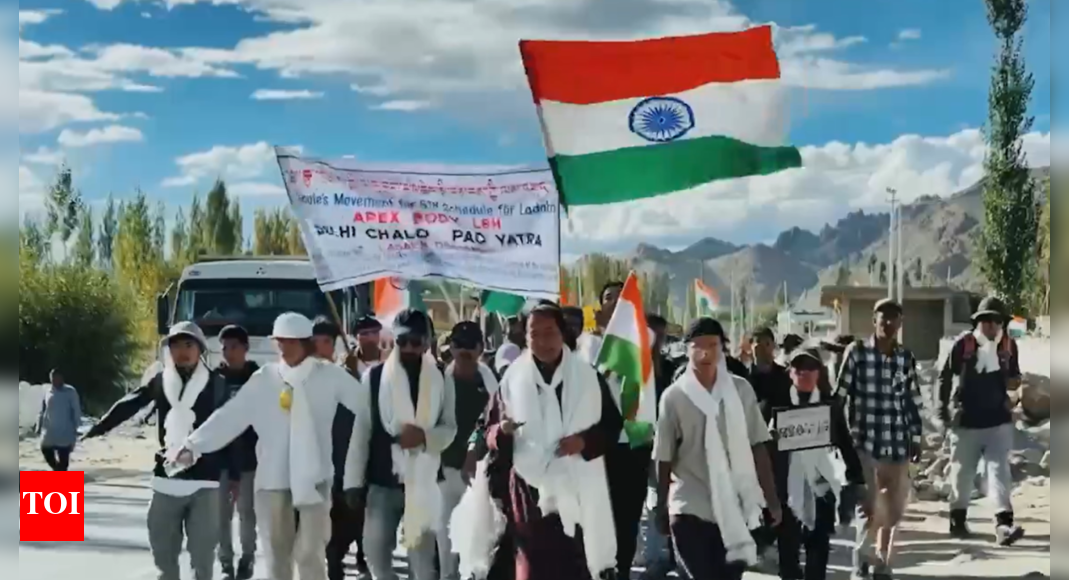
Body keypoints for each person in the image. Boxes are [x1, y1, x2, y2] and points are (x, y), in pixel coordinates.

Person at [174, 313, 373, 580]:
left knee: (309, 553)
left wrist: (359, 372)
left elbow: (367, 406)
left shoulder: (331, 376)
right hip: (272, 481)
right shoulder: (264, 379)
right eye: (279, 341)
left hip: (316, 480)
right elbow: (230, 416)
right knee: (278, 557)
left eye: (291, 342)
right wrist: (193, 445)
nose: (284, 347)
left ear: (307, 343)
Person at [482, 303, 622, 580]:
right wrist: (503, 431)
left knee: (575, 568)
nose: (543, 341)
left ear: (562, 333)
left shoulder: (588, 377)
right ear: (525, 337)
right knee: (533, 569)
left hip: (579, 490)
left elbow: (612, 426)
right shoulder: (512, 379)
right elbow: (489, 431)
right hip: (529, 493)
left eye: (550, 332)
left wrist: (584, 441)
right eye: (535, 334)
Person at [83, 323, 233, 580]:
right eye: (175, 345)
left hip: (206, 483)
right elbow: (132, 402)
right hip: (167, 481)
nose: (182, 352)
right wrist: (101, 426)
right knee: (164, 562)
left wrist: (235, 474)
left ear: (200, 350)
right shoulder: (162, 381)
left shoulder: (218, 385)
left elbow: (232, 429)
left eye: (189, 345)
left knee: (202, 562)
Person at [654, 318, 781, 580]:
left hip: (734, 509)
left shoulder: (741, 390)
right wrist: (660, 507)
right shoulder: (674, 397)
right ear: (687, 349)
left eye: (712, 345)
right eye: (698, 346)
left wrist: (771, 498)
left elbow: (758, 445)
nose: (705, 353)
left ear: (722, 349)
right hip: (690, 507)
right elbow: (663, 457)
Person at [357, 309, 457, 580]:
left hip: (423, 481)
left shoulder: (440, 377)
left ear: (428, 342)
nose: (409, 348)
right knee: (375, 553)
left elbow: (450, 428)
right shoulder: (374, 377)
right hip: (382, 480)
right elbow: (361, 432)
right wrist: (353, 483)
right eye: (403, 341)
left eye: (416, 341)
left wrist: (424, 438)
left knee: (423, 564)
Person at [837, 300, 924, 580]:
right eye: (883, 318)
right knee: (870, 505)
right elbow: (840, 396)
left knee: (895, 510)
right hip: (865, 443)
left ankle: (883, 563)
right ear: (874, 320)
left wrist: (917, 437)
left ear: (900, 323)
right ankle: (861, 562)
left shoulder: (904, 357)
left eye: (894, 319)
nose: (888, 324)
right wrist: (838, 438)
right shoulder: (857, 353)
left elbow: (912, 399)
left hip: (898, 444)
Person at [769, 348, 864, 580]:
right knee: (788, 555)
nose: (804, 373)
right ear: (790, 372)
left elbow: (845, 442)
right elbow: (762, 446)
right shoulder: (776, 404)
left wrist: (856, 477)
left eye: (810, 368)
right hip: (786, 488)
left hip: (821, 484)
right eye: (798, 369)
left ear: (819, 373)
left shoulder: (829, 408)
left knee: (818, 548)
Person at [938, 297, 1025, 546]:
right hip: (966, 422)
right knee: (962, 474)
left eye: (996, 321)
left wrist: (1014, 389)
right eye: (986, 320)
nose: (991, 326)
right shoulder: (963, 345)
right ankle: (957, 518)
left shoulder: (1008, 346)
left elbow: (1015, 376)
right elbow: (944, 378)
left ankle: (1003, 524)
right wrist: (942, 413)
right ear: (978, 322)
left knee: (999, 470)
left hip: (999, 422)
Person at [439, 321, 500, 580]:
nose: (464, 351)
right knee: (446, 547)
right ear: (450, 348)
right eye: (458, 345)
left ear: (480, 348)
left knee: (478, 546)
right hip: (444, 475)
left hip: (479, 477)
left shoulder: (491, 385)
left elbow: (491, 425)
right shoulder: (438, 383)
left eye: (470, 345)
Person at [311, 318, 371, 580]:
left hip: (344, 461)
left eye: (323, 342)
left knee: (346, 520)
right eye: (313, 342)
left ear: (333, 345)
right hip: (313, 464)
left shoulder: (347, 377)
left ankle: (341, 559)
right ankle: (333, 561)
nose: (317, 347)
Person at [217, 325, 261, 580]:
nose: (229, 353)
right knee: (222, 516)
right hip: (221, 459)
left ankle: (247, 559)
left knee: (247, 513)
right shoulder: (215, 381)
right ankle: (225, 563)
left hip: (250, 460)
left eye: (234, 347)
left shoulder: (258, 379)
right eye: (224, 348)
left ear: (245, 348)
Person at [640, 315, 678, 580]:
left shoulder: (669, 368)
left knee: (657, 500)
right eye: (653, 333)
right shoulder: (627, 365)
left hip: (659, 445)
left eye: (662, 335)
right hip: (630, 445)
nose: (658, 340)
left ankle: (656, 557)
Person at [37, 369, 82, 472]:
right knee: (45, 449)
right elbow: (43, 410)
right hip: (49, 430)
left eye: (57, 378)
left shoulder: (70, 391)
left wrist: (76, 427)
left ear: (62, 378)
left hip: (65, 430)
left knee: (64, 461)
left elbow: (76, 410)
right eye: (53, 378)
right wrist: (38, 425)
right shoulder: (48, 391)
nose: (55, 381)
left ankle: (61, 482)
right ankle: (57, 471)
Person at [748, 327, 792, 423]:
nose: (764, 349)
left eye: (767, 344)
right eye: (759, 344)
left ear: (773, 346)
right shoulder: (744, 379)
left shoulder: (785, 376)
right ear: (751, 348)